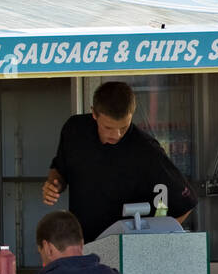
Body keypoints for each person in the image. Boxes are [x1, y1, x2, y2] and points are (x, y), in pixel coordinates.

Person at [41, 81, 197, 242]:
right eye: (108, 127)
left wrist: (151, 241)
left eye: (123, 127)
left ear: (132, 115)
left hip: (125, 251)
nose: (116, 135)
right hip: (82, 245)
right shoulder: (75, 129)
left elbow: (186, 203)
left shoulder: (146, 150)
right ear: (94, 114)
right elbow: (60, 168)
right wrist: (55, 184)